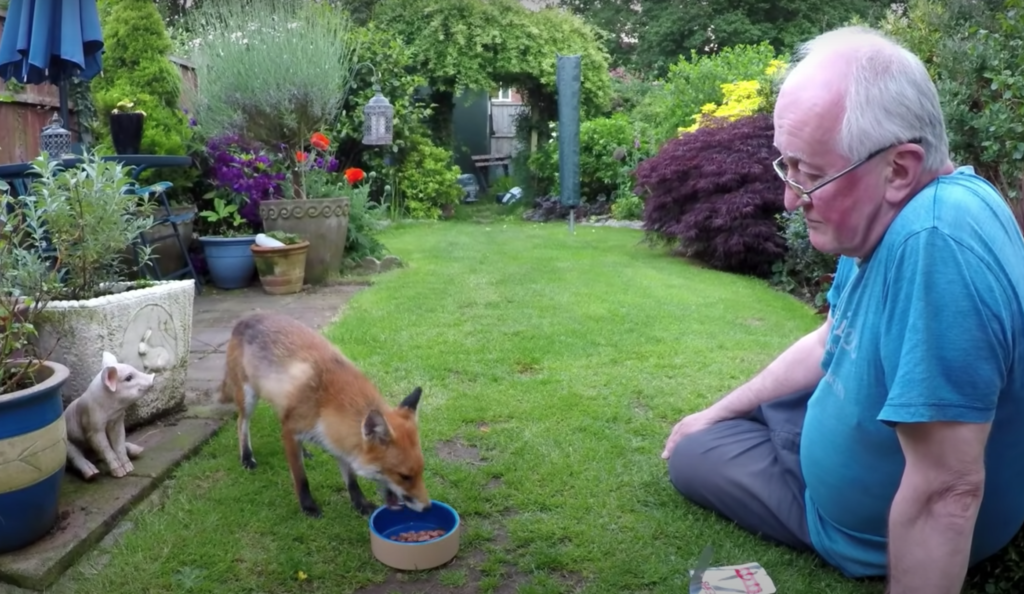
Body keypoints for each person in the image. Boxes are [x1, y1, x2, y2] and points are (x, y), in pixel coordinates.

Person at [661, 25, 1024, 594]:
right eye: (787, 166)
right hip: (848, 436)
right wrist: (712, 411)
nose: (789, 196)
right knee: (716, 428)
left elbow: (947, 490)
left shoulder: (935, 242)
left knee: (693, 458)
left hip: (853, 527)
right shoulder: (883, 218)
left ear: (898, 169)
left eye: (807, 172)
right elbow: (835, 335)